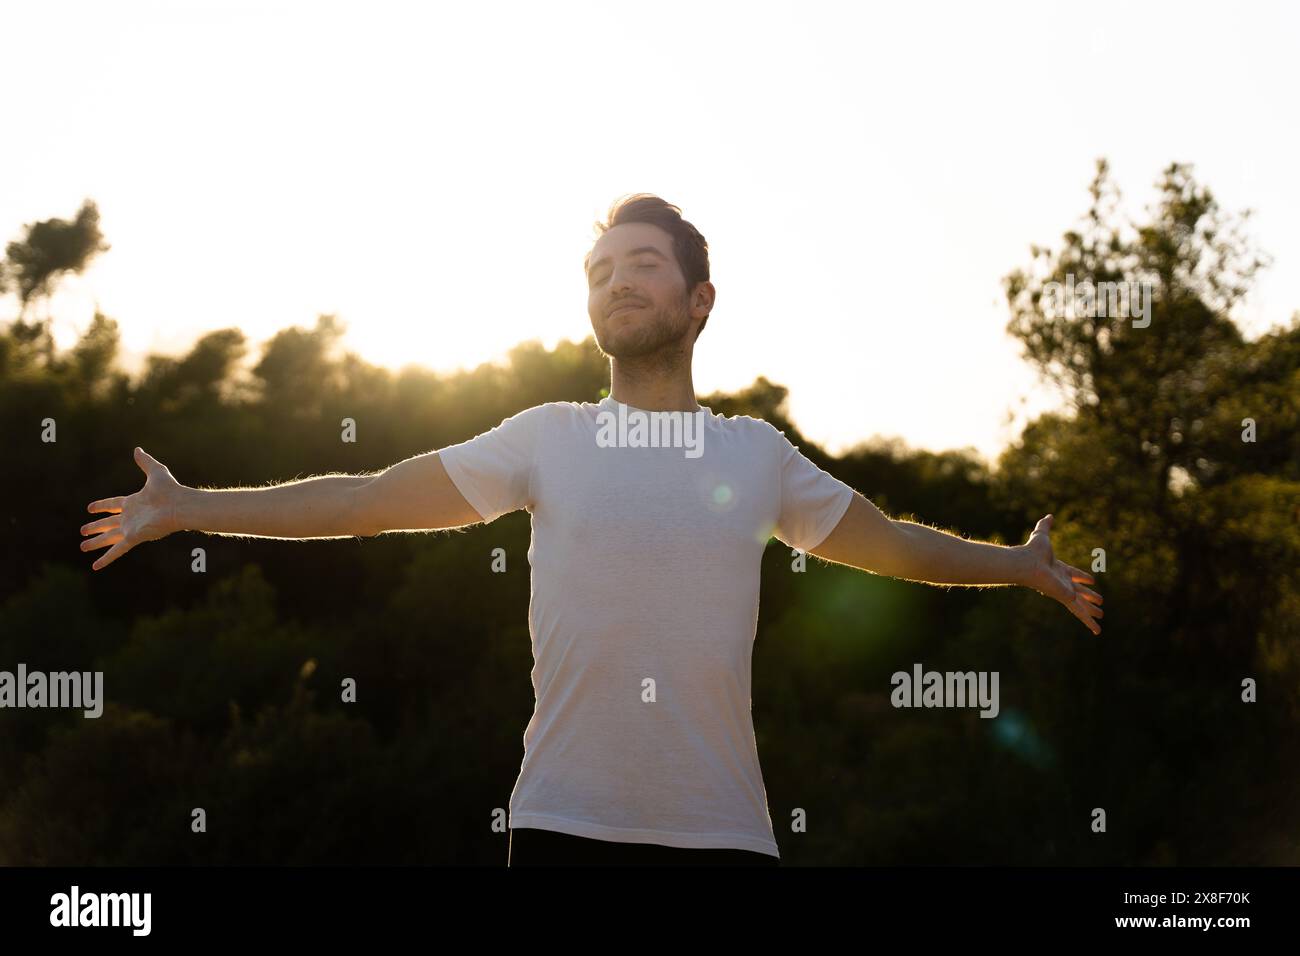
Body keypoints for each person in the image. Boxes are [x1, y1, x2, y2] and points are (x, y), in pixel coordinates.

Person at [79, 194, 1103, 867]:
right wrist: (191, 505)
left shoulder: (755, 455)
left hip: (726, 835)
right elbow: (365, 497)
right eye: (600, 267)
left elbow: (890, 545)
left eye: (644, 261)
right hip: (563, 827)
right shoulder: (547, 439)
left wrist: (1014, 565)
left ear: (698, 300)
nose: (617, 277)